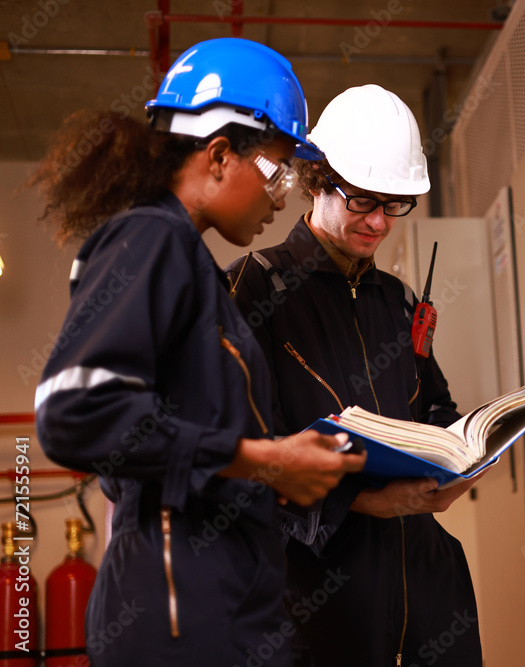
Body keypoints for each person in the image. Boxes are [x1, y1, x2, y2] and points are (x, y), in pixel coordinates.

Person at [31, 38, 366, 666]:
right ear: (218, 155)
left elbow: (146, 453)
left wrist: (278, 473)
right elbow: (75, 412)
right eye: (278, 171)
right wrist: (265, 460)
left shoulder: (191, 267)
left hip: (224, 617)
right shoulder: (149, 238)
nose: (281, 198)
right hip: (177, 624)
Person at [227, 84, 484, 666]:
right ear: (318, 180)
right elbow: (242, 455)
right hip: (318, 590)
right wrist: (363, 503)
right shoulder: (255, 287)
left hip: (425, 581)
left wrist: (462, 457)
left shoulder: (398, 299)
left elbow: (435, 407)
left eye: (394, 205)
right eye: (363, 200)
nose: (378, 223)